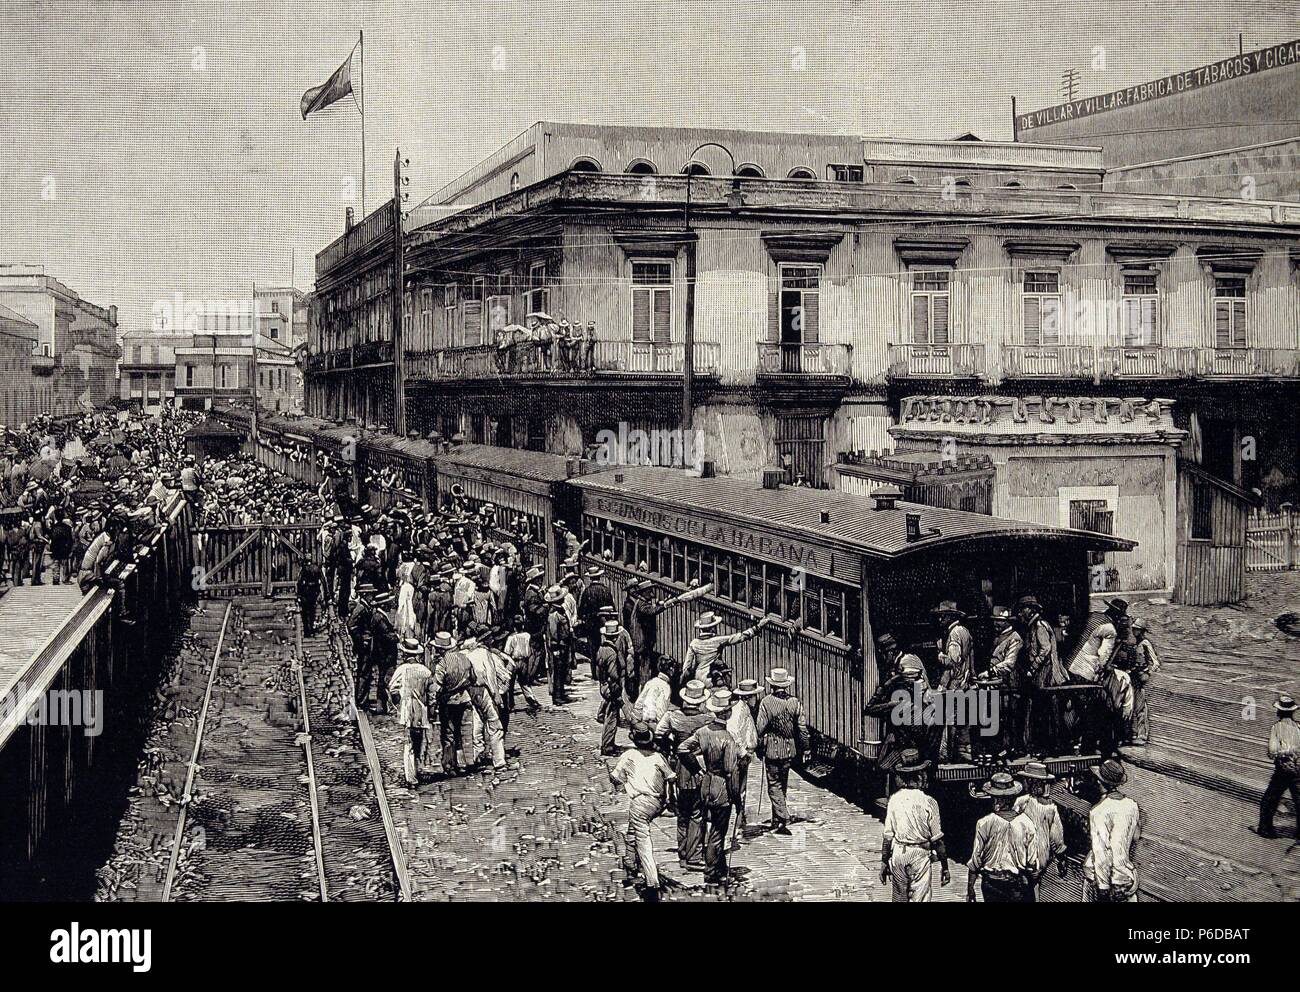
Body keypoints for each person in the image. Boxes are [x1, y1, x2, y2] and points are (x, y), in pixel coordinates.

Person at [678, 689, 744, 884]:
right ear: (727, 713)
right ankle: (711, 871)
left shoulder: (703, 732)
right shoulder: (728, 739)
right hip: (721, 787)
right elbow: (731, 771)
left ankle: (719, 867)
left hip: (705, 783)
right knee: (718, 831)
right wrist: (737, 799)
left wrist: (696, 768)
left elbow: (682, 748)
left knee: (706, 823)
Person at [610, 721, 675, 900]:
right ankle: (630, 862)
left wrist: (625, 785)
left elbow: (614, 777)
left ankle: (652, 882)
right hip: (658, 802)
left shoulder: (629, 755)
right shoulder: (658, 757)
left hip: (640, 802)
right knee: (633, 829)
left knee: (643, 840)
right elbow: (671, 777)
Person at [429, 630, 508, 773]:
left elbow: (437, 685)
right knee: (478, 728)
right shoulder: (470, 657)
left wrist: (433, 703)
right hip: (472, 694)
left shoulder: (448, 661)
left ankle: (457, 762)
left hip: (456, 697)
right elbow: (480, 677)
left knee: (455, 732)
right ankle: (480, 761)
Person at [654, 679, 713, 872]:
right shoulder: (707, 719)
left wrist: (671, 750)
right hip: (700, 765)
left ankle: (682, 854)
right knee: (698, 813)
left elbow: (658, 736)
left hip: (679, 768)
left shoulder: (673, 717)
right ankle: (694, 855)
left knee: (682, 812)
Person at [880, 749, 950, 902]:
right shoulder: (929, 802)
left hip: (898, 853)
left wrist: (884, 862)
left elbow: (887, 836)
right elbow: (937, 840)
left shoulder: (894, 800)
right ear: (920, 777)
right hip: (920, 855)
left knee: (899, 899)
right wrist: (945, 867)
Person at [966, 771, 1038, 903]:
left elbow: (976, 860)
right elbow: (1032, 862)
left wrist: (970, 889)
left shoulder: (984, 823)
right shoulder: (1027, 823)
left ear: (997, 799)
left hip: (991, 884)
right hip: (1017, 884)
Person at [755, 666, 809, 835]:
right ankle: (776, 821)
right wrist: (806, 747)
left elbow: (760, 727)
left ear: (772, 685)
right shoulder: (795, 702)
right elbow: (802, 728)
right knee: (782, 784)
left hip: (772, 747)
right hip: (789, 749)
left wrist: (758, 744)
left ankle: (782, 815)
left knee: (773, 784)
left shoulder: (766, 702)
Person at [1082, 758, 1142, 902]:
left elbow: (1101, 852)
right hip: (1126, 878)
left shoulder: (1098, 811)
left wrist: (1103, 888)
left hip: (1104, 881)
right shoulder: (1132, 806)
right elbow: (1135, 836)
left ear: (1101, 783)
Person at [1015, 595, 1067, 753]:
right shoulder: (1034, 626)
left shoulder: (1039, 626)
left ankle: (1050, 746)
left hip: (1046, 675)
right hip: (1042, 675)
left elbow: (1045, 650)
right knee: (1044, 710)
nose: (1019, 614)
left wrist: (1033, 667)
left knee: (1046, 710)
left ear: (1030, 610)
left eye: (1021, 610)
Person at [1014, 761, 1069, 899]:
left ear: (1030, 782)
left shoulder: (1020, 803)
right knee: (1034, 890)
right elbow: (1056, 838)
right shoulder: (1050, 807)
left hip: (1021, 860)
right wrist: (1062, 859)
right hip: (1040, 861)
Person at [388, 638, 435, 787]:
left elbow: (392, 688)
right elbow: (432, 692)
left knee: (409, 742)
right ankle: (419, 770)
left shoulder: (402, 670)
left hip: (408, 708)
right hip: (422, 709)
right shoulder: (425, 671)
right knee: (419, 741)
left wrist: (398, 702)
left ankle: (411, 777)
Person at [933, 600, 974, 761]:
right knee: (961, 721)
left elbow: (953, 660)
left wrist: (939, 654)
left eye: (942, 617)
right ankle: (964, 753)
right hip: (964, 682)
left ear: (950, 617)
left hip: (955, 684)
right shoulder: (965, 631)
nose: (940, 620)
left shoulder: (954, 633)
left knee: (950, 721)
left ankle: (949, 756)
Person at [685, 612, 767, 688]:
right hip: (713, 679)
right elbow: (741, 637)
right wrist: (758, 626)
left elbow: (687, 667)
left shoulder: (693, 643)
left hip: (698, 680)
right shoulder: (718, 640)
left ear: (701, 629)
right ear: (712, 628)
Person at [1257, 694, 1300, 839]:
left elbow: (1272, 751)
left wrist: (1286, 751)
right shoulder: (1299, 727)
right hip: (1298, 769)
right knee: (1299, 800)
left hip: (1283, 769)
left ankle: (1265, 829)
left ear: (1280, 712)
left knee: (1270, 799)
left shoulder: (1277, 728)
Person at [727, 678, 761, 839]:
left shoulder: (745, 709)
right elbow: (733, 733)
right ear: (747, 697)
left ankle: (739, 823)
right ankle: (736, 826)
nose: (757, 699)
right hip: (740, 756)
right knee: (738, 791)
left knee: (741, 790)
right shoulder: (739, 711)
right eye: (754, 696)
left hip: (745, 755)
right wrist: (743, 752)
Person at [1126, 619, 1161, 745]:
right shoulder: (1135, 643)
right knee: (1131, 706)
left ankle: (1142, 734)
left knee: (1140, 707)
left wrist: (1148, 673)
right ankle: (1133, 733)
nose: (1134, 631)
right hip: (1133, 677)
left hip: (1140, 678)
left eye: (1136, 629)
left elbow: (1155, 662)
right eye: (1133, 628)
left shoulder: (1145, 643)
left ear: (1141, 630)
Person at [596, 622, 626, 756]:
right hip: (611, 688)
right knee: (612, 719)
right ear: (615, 637)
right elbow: (614, 675)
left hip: (603, 685)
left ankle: (608, 743)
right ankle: (607, 747)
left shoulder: (601, 649)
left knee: (609, 715)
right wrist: (617, 694)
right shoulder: (612, 653)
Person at [632, 656, 675, 726]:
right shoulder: (666, 687)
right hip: (653, 724)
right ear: (670, 669)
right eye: (673, 668)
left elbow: (638, 703)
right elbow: (661, 710)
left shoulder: (651, 682)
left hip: (642, 722)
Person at [297, 559, 323, 637]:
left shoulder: (304, 569)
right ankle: (311, 628)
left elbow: (300, 581)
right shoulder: (317, 568)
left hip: (306, 591)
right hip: (314, 591)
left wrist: (299, 594)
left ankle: (306, 631)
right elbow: (322, 581)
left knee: (305, 612)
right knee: (312, 611)